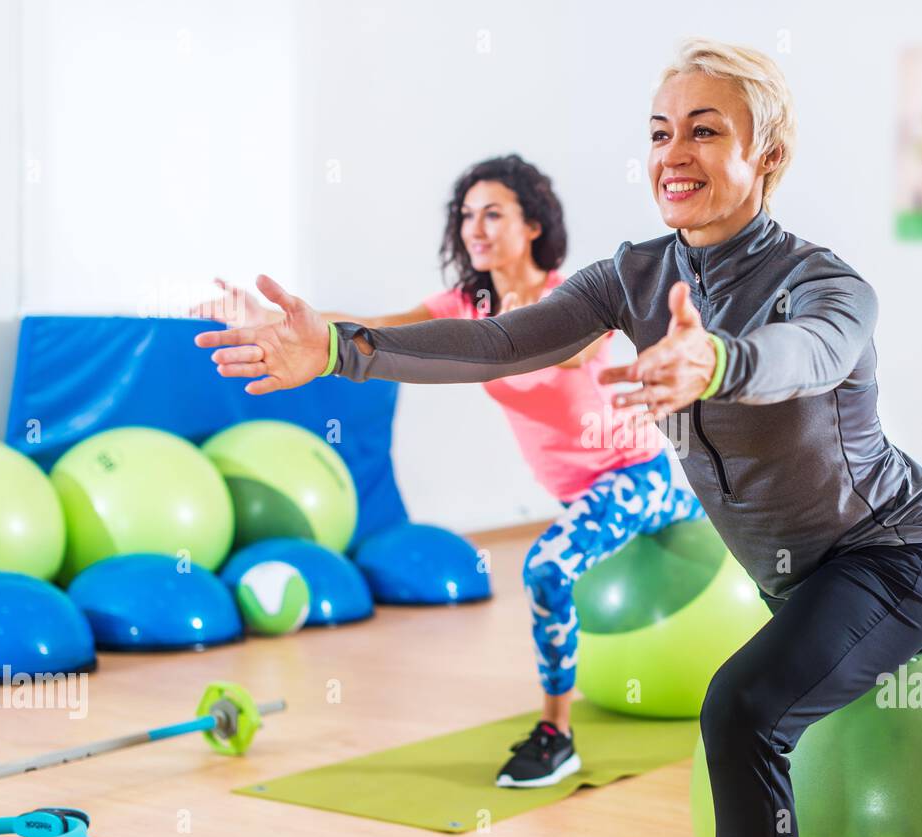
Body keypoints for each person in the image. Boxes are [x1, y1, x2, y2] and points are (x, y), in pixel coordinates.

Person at [195, 38, 922, 837]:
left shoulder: (826, 284)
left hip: (892, 552)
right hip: (793, 573)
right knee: (892, 649)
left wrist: (718, 359)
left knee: (745, 709)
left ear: (769, 153)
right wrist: (344, 350)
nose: (672, 153)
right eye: (659, 130)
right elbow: (498, 343)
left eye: (705, 129)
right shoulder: (632, 277)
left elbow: (811, 354)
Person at [191, 155, 704, 789]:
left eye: (493, 213)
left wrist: (476, 341)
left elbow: (545, 352)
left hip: (638, 473)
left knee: (545, 567)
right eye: (466, 216)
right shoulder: (467, 303)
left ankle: (557, 735)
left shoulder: (573, 298)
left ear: (533, 224)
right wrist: (282, 323)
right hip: (575, 493)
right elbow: (377, 328)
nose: (475, 228)